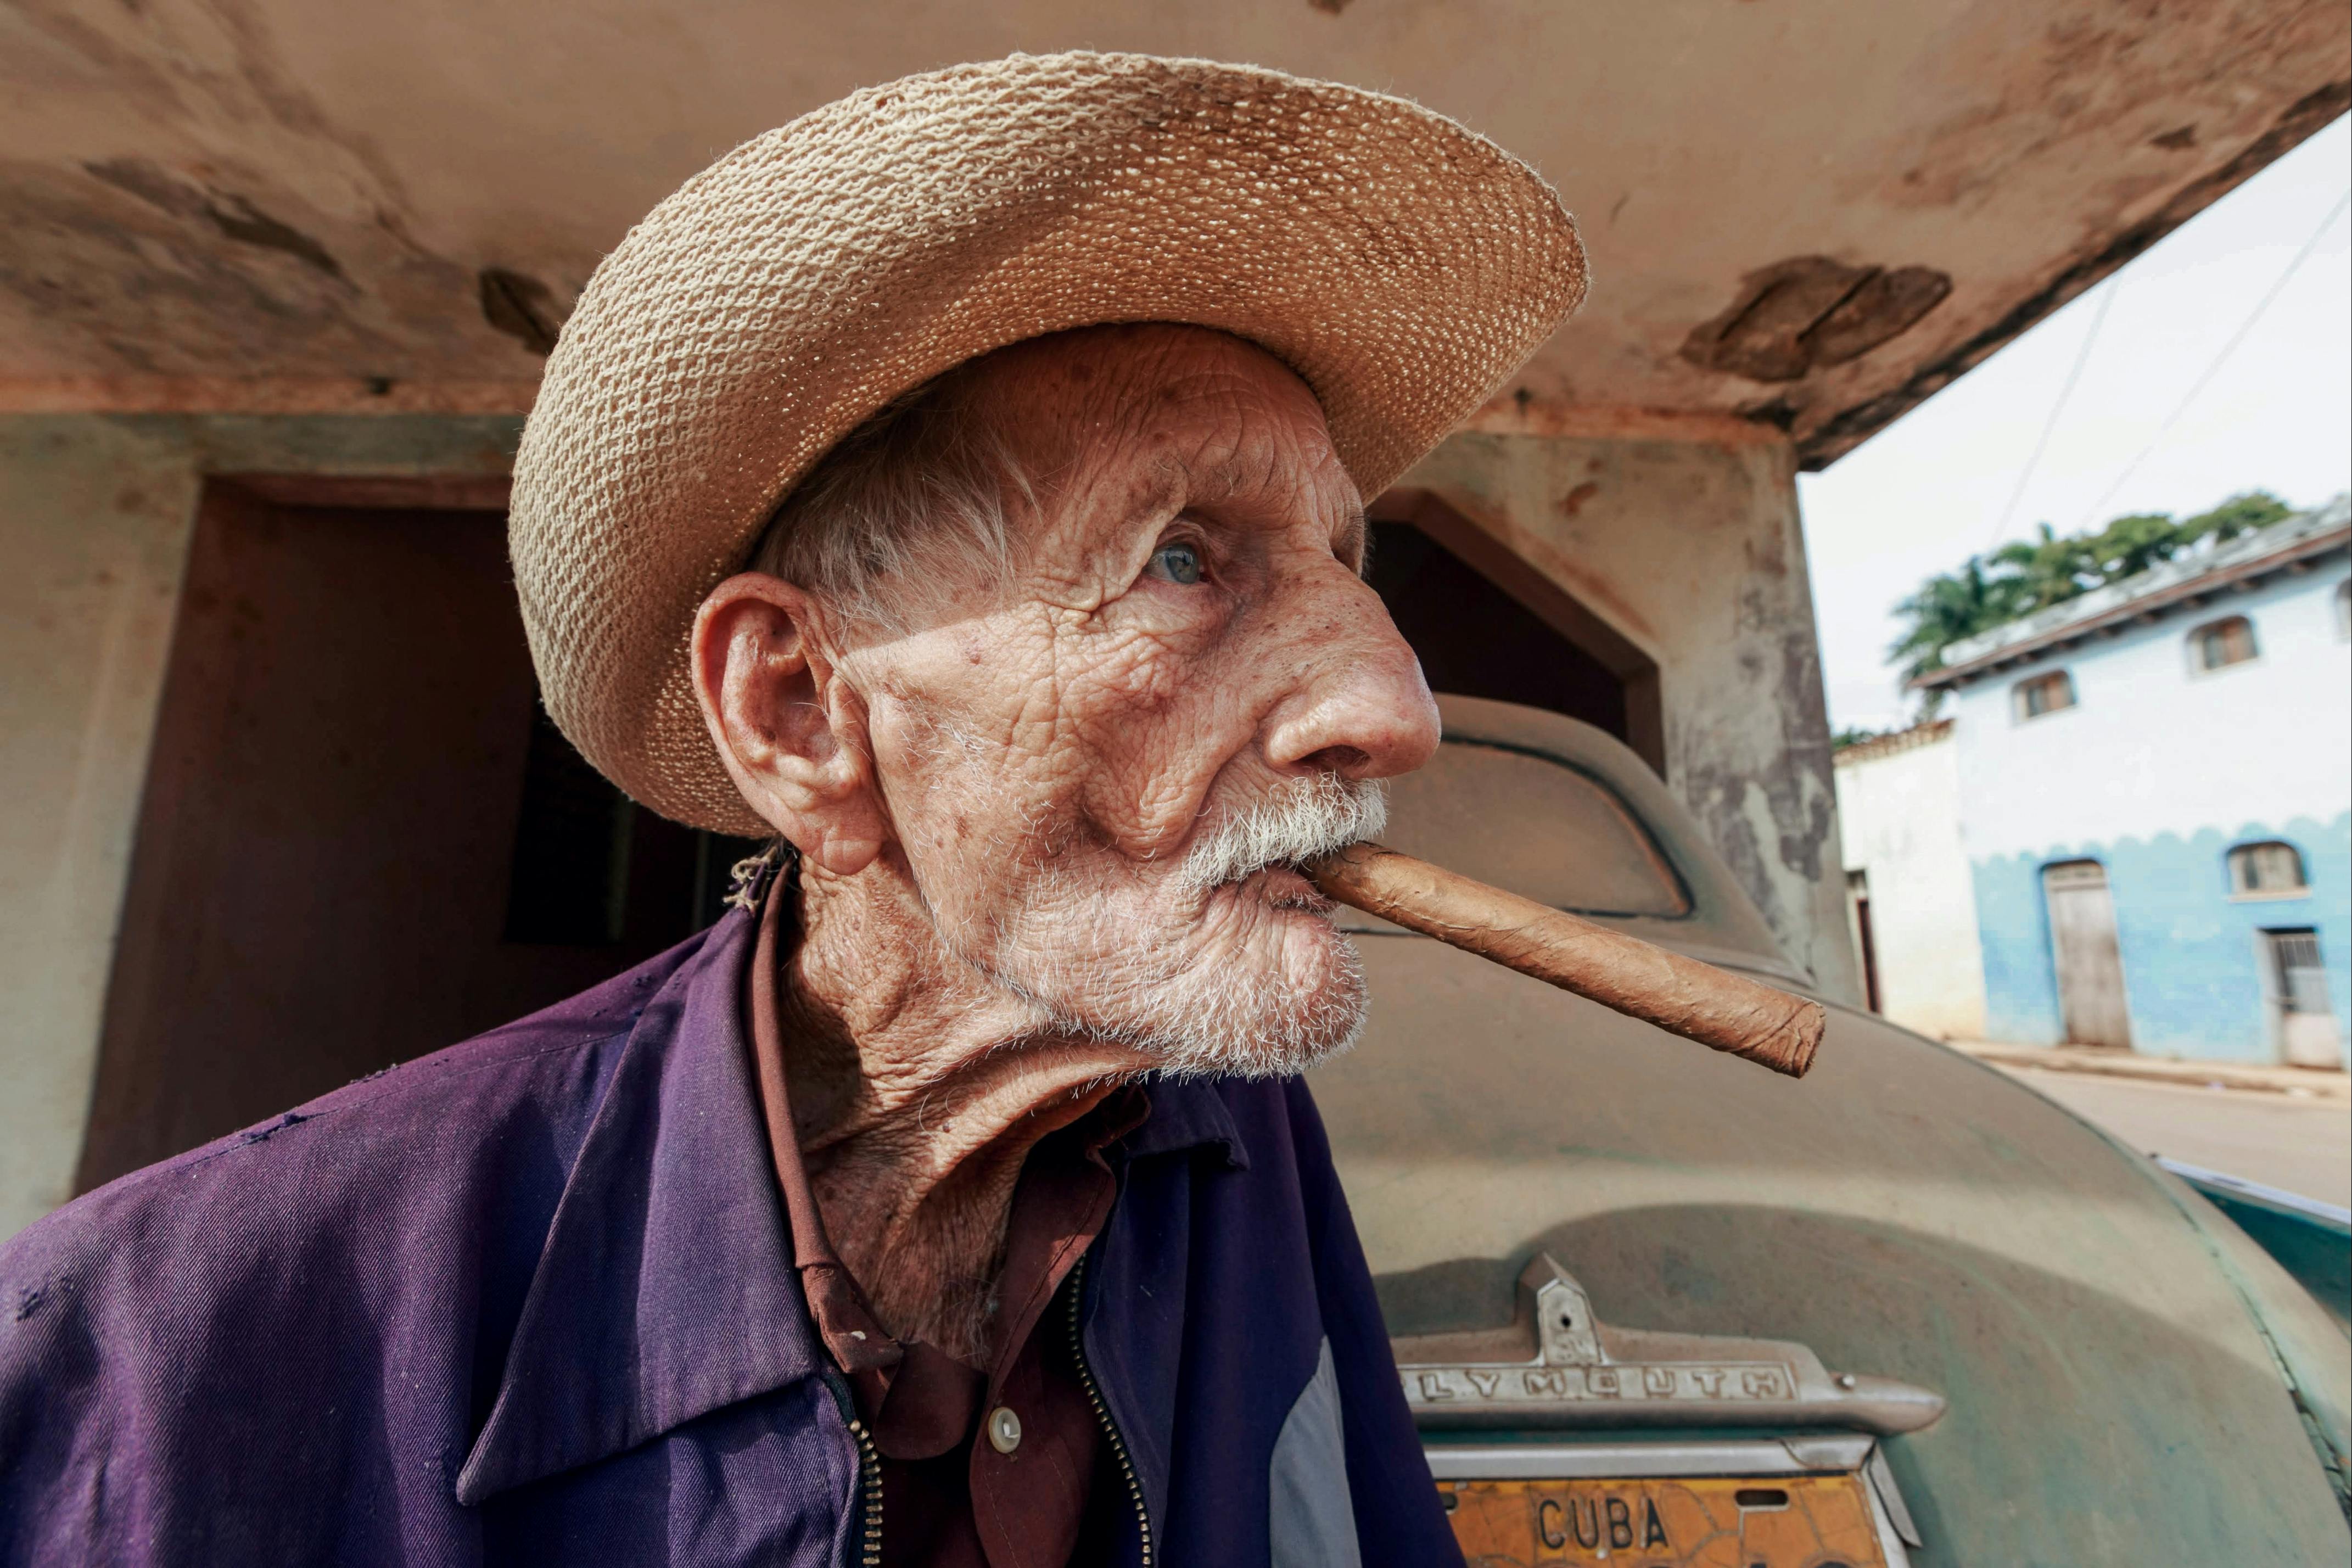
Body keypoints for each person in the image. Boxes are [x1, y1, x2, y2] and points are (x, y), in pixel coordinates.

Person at [0, 52, 1583, 1567]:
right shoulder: (160, 1347)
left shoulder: (1228, 1139)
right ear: (801, 710)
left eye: (1342, 566)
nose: (1392, 707)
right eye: (1180, 554)